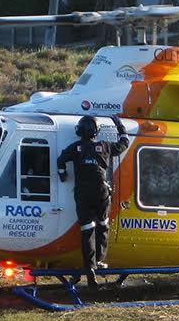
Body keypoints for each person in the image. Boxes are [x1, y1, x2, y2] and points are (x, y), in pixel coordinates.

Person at [56, 115, 130, 288]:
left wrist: (62, 174)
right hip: (101, 192)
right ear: (96, 132)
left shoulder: (75, 148)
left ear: (79, 131)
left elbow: (60, 161)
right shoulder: (104, 146)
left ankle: (90, 269)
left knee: (87, 230)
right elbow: (124, 143)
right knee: (103, 225)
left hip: (83, 194)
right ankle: (99, 261)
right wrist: (120, 125)